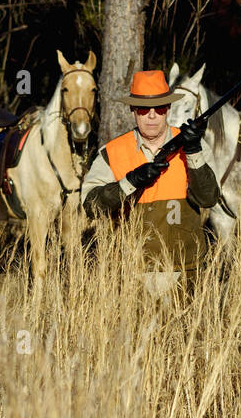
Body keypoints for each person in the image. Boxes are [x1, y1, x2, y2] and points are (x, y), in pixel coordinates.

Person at [82, 70, 219, 293]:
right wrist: (131, 182)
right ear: (133, 111)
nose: (152, 115)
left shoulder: (194, 147)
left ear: (168, 110)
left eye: (160, 108)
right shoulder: (112, 153)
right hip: (130, 273)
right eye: (144, 109)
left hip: (187, 270)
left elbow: (208, 198)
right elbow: (91, 206)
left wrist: (193, 150)